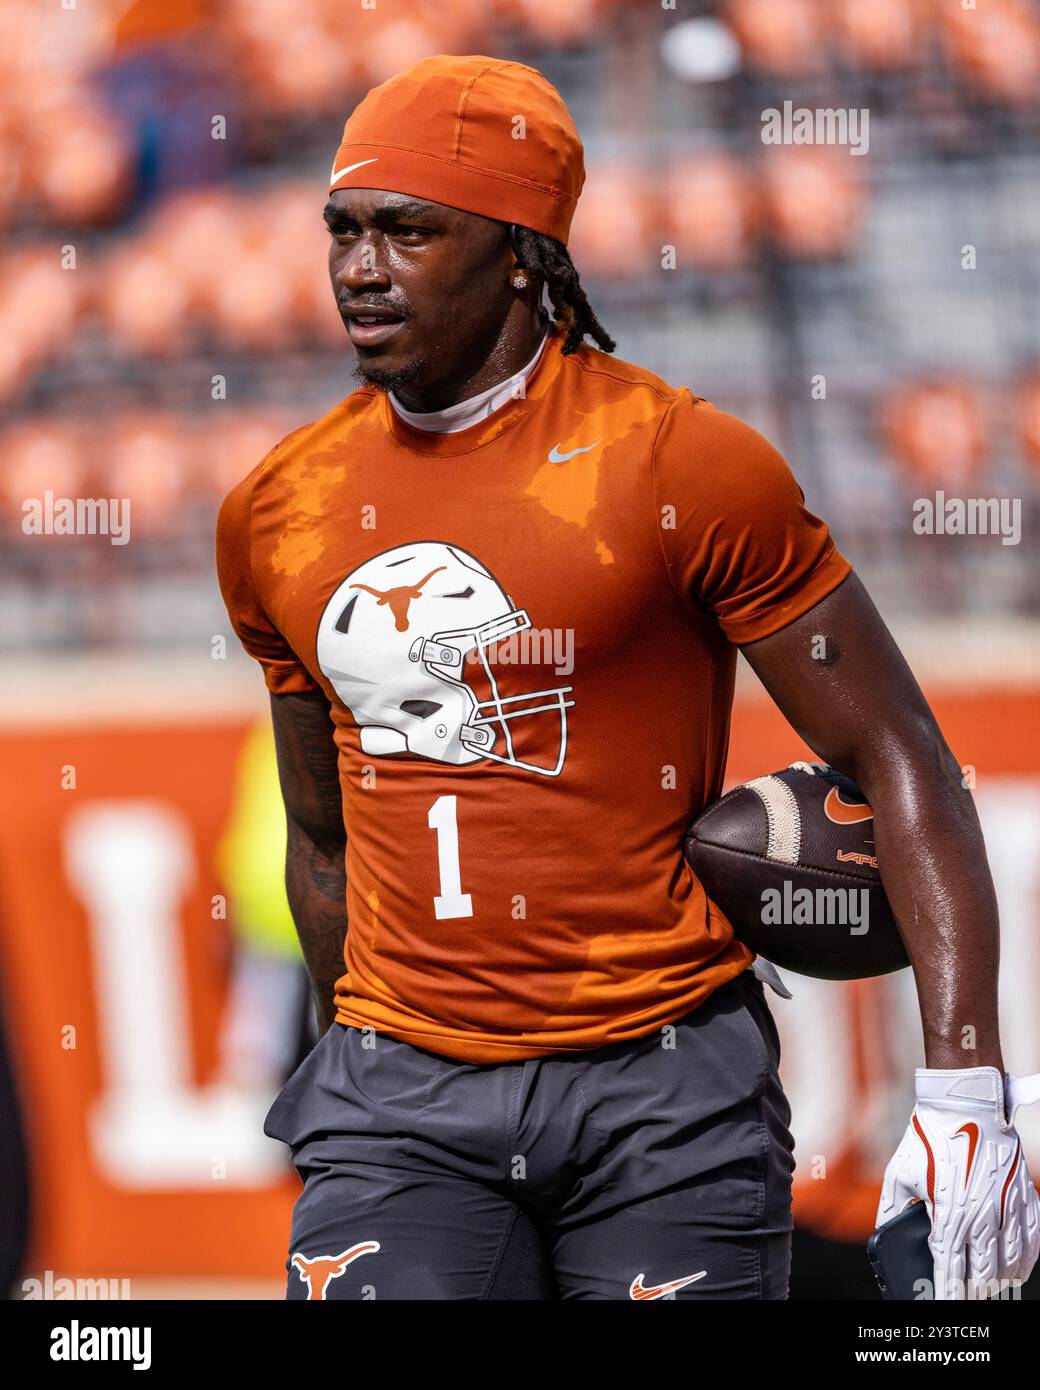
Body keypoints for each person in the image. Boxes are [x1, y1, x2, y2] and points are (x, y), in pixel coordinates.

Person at [216, 54, 1039, 1300]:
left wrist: (963, 1082)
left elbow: (898, 756)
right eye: (344, 230)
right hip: (402, 1088)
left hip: (664, 1087)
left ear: (521, 251)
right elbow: (321, 843)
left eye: (407, 231)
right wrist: (354, 1083)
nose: (359, 267)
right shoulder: (278, 509)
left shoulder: (680, 464)